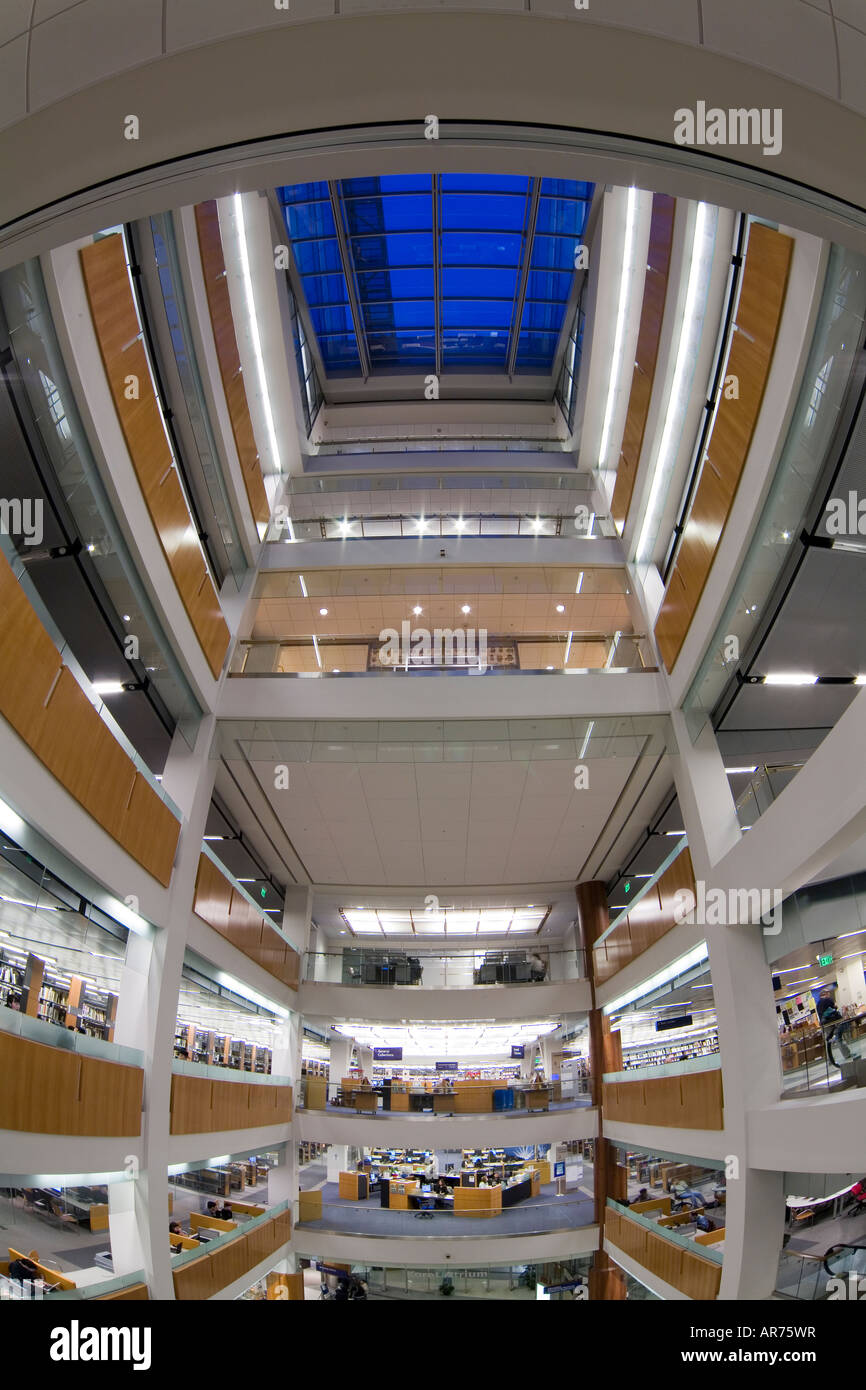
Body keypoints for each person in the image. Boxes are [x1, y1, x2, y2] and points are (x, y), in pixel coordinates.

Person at [817, 987, 851, 1065]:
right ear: (825, 994)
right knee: (838, 1038)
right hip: (833, 1022)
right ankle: (847, 1054)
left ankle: (830, 1060)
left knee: (828, 1042)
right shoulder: (828, 1000)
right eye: (828, 993)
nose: (829, 995)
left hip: (824, 1024)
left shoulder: (818, 1003)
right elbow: (835, 1007)